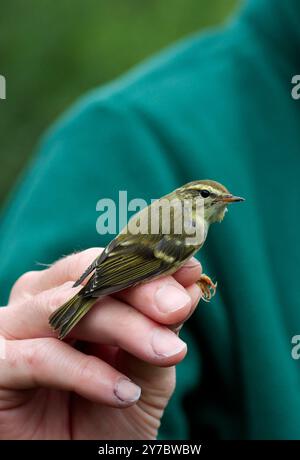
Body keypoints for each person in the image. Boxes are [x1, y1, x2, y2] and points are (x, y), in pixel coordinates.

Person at [0, 0, 300, 439]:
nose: (217, 203)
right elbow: (148, 261)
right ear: (187, 196)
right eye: (206, 195)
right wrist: (98, 286)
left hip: (109, 265)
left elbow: (127, 248)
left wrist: (98, 280)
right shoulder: (131, 142)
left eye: (221, 198)